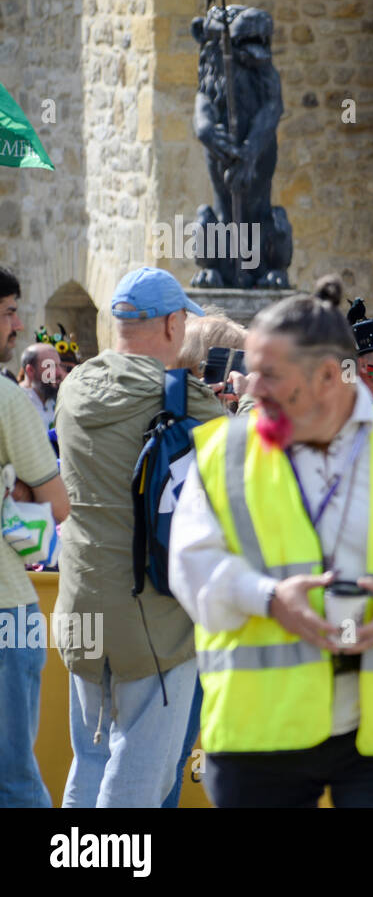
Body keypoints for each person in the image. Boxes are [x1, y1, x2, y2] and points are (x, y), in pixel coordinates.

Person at [168, 276, 373, 807]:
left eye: (269, 374)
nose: (252, 387)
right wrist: (268, 599)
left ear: (326, 375)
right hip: (262, 727)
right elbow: (190, 561)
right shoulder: (226, 451)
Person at [54, 267, 225, 807]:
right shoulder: (184, 400)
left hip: (79, 602)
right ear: (174, 323)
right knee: (139, 777)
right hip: (150, 615)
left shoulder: (74, 385)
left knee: (90, 762)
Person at [0, 266, 70, 807]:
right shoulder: (7, 401)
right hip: (8, 610)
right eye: (8, 312)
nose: (18, 325)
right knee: (16, 781)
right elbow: (59, 502)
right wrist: (19, 491)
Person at [18, 342, 60, 429]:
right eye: (50, 366)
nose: (58, 372)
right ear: (30, 370)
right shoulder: (15, 401)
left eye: (59, 365)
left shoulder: (55, 398)